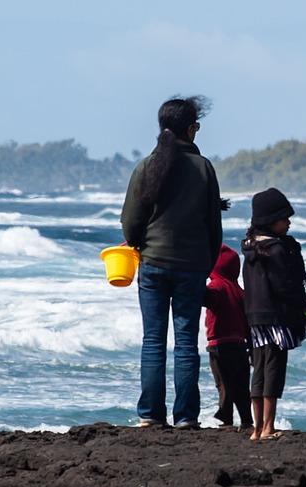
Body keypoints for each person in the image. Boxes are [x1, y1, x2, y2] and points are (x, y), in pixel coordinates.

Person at [120, 96, 225, 429]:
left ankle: (150, 415)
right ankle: (185, 417)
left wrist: (138, 244)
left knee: (152, 340)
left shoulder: (146, 166)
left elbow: (130, 221)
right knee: (185, 342)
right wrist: (207, 263)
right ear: (191, 129)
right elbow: (213, 225)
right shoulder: (203, 168)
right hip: (192, 266)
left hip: (152, 262)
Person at [240, 188, 306, 441]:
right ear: (270, 220)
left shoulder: (250, 249)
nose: (289, 222)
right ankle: (268, 428)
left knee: (258, 370)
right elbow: (286, 287)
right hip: (275, 319)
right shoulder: (278, 250)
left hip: (254, 319)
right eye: (284, 218)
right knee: (274, 370)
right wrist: (304, 305)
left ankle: (256, 429)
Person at [204, 243, 253, 430]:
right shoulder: (240, 291)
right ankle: (247, 420)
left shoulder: (216, 286)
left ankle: (226, 418)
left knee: (223, 383)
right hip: (240, 344)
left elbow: (205, 298)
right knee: (241, 384)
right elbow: (248, 321)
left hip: (219, 344)